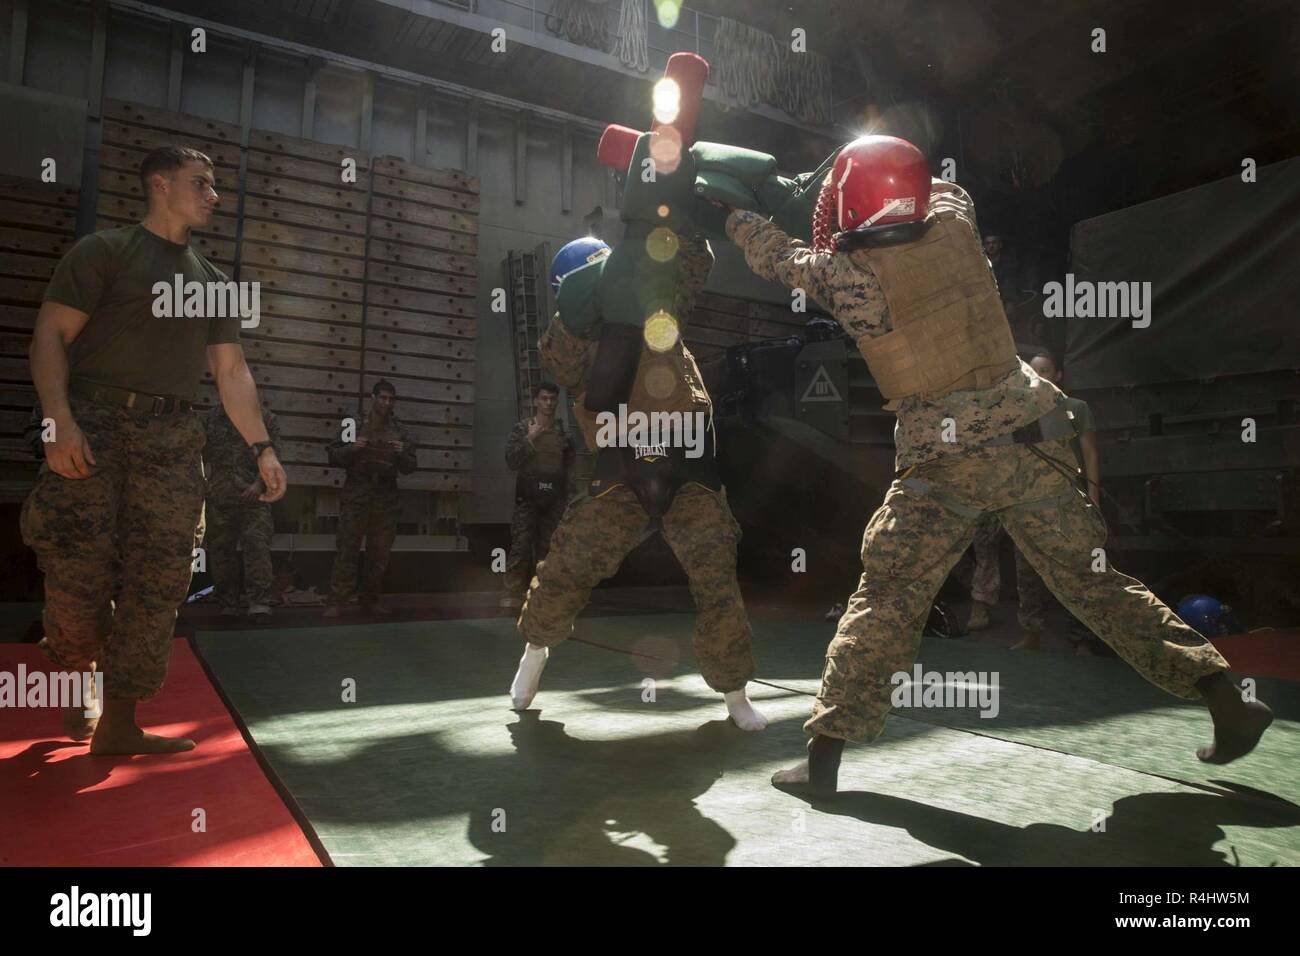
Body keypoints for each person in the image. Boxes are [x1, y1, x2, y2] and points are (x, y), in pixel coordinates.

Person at [714, 133, 1271, 795]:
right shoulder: (955, 220)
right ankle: (1226, 699)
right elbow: (934, 189)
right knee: (1096, 587)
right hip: (1032, 438)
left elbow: (778, 257)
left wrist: (734, 213)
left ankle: (825, 760)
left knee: (887, 601)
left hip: (944, 461)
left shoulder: (849, 278)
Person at [23, 145, 286, 754]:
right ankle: (76, 675)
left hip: (171, 438)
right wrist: (58, 419)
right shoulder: (103, 252)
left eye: (215, 186)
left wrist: (263, 448)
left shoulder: (216, 284)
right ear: (159, 185)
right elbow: (49, 337)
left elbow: (233, 373)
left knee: (159, 580)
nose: (214, 195)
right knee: (75, 574)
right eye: (202, 183)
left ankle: (119, 723)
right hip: (93, 424)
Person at [507, 223, 767, 732]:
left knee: (716, 574)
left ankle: (735, 692)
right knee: (568, 563)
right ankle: (534, 652)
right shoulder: (576, 344)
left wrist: (678, 222)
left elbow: (695, 265)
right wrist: (583, 304)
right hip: (621, 472)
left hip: (688, 464)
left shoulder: (660, 313)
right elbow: (560, 362)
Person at [324, 379, 416, 617]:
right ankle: (338, 601)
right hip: (357, 492)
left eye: (391, 399)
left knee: (380, 553)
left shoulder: (399, 429)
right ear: (372, 398)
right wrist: (352, 448)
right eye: (383, 398)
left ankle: (370, 599)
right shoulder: (352, 423)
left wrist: (401, 452)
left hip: (385, 495)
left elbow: (411, 466)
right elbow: (332, 455)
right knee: (347, 549)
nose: (387, 403)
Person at [204, 402, 282, 622]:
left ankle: (259, 603)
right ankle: (228, 603)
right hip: (220, 495)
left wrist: (259, 484)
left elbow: (274, 455)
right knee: (221, 551)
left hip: (255, 497)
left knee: (256, 546)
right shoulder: (210, 419)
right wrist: (206, 485)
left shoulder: (265, 418)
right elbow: (199, 455)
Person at [501, 382, 575, 609]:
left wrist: (568, 500)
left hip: (554, 500)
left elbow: (568, 469)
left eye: (552, 399)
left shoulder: (564, 434)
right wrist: (530, 438)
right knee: (521, 547)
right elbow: (511, 461)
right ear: (535, 401)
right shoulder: (523, 428)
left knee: (549, 551)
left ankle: (542, 596)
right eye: (544, 398)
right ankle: (513, 594)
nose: (549, 403)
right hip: (528, 499)